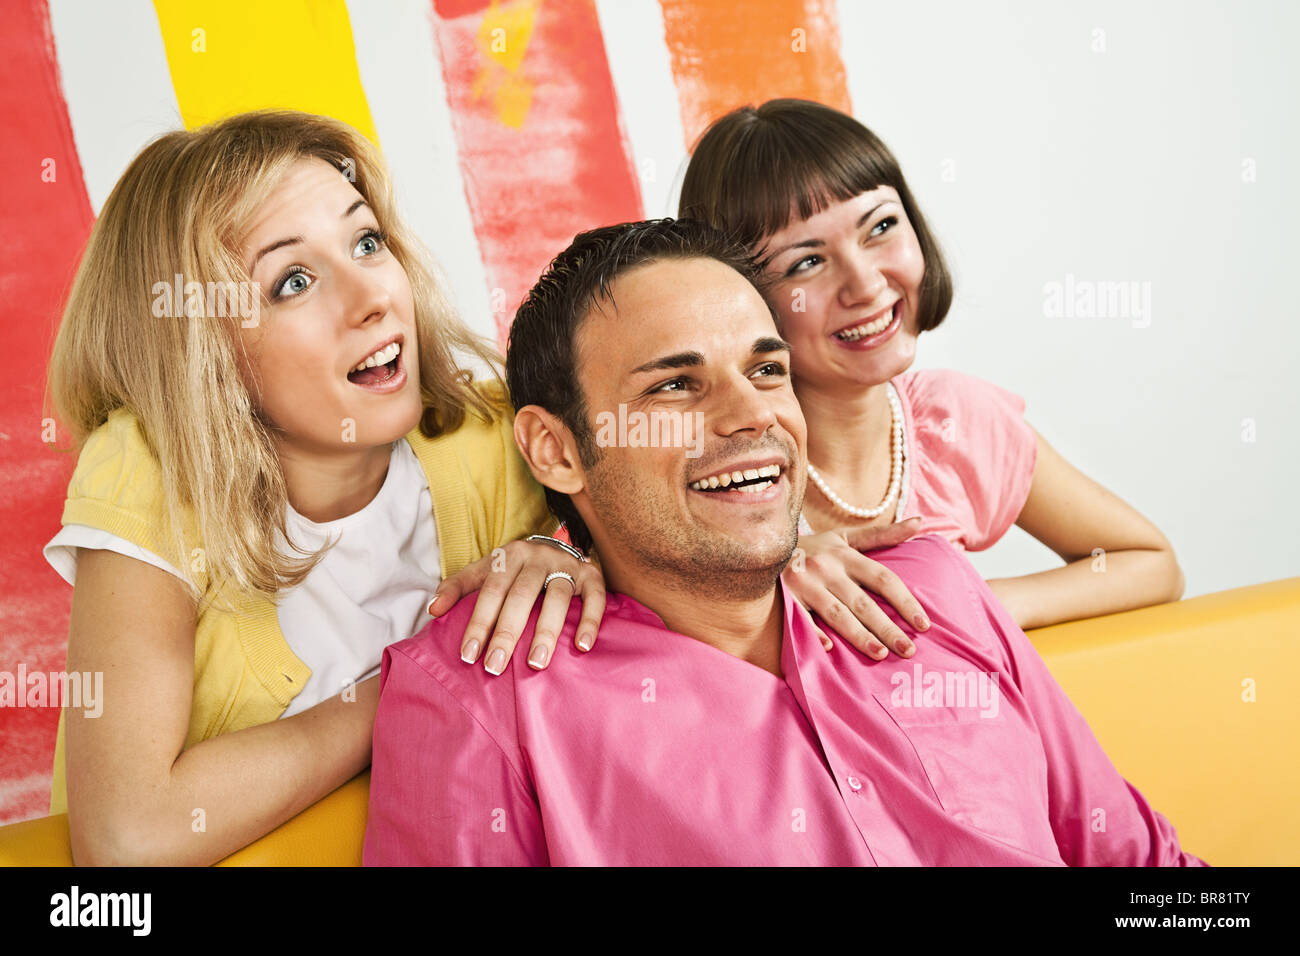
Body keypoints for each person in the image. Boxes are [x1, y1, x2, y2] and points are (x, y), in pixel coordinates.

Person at [362, 218, 1205, 866]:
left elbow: (1144, 867)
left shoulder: (936, 590)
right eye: (677, 386)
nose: (751, 416)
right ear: (557, 449)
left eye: (767, 371)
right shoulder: (481, 696)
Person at [41, 110, 605, 865]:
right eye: (293, 281)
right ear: (200, 353)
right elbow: (128, 837)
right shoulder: (149, 471)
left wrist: (566, 559)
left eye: (366, 242)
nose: (370, 297)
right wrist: (414, 682)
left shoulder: (490, 440)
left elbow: (688, 582)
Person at [679, 99, 1184, 630]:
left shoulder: (952, 421)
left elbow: (1150, 563)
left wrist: (974, 606)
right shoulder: (705, 459)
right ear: (737, 296)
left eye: (880, 228)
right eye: (808, 262)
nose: (868, 284)